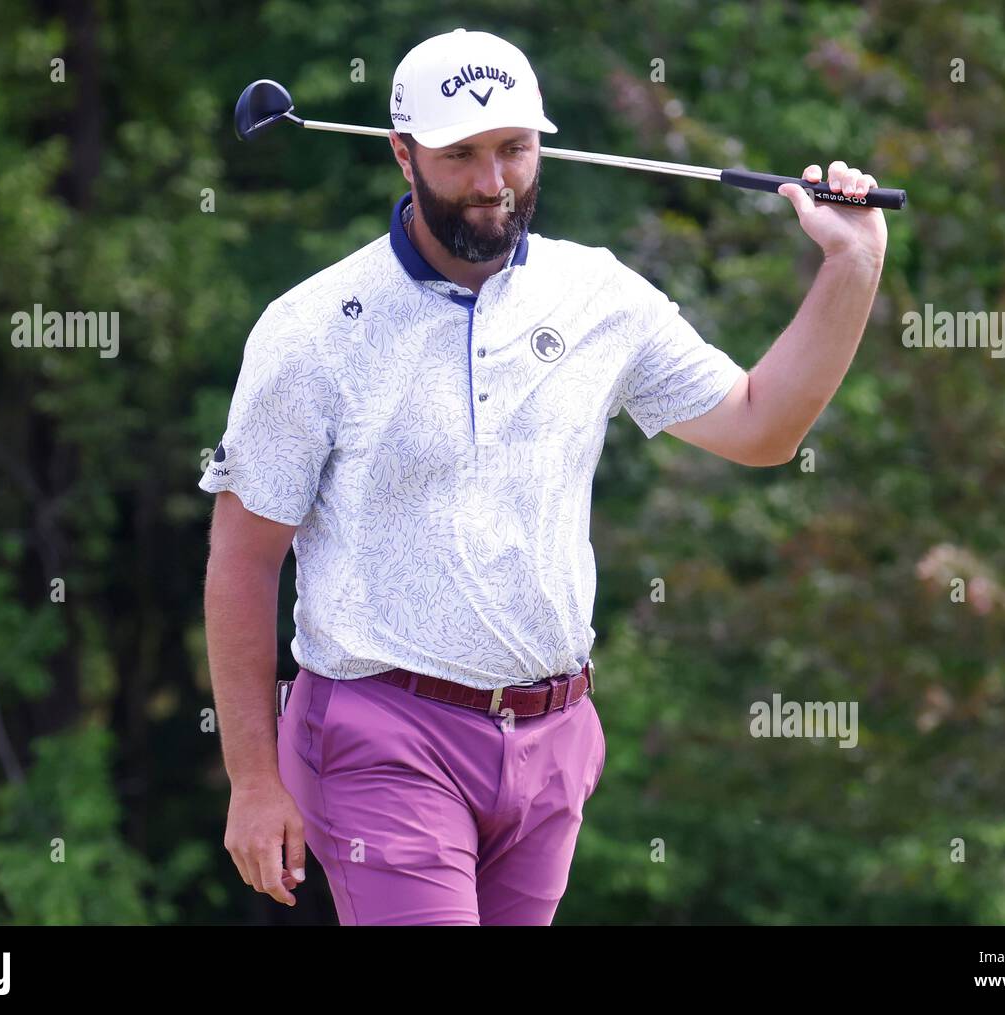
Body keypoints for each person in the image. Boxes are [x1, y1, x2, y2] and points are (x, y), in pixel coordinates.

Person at [201, 27, 886, 925]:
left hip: (553, 739)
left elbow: (762, 425)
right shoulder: (314, 329)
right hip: (380, 733)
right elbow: (243, 558)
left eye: (514, 150)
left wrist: (853, 264)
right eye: (462, 156)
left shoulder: (600, 295)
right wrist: (253, 781)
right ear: (402, 155)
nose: (492, 183)